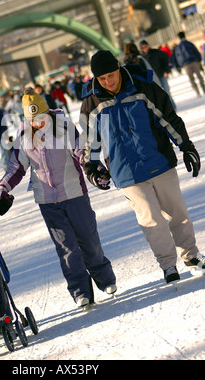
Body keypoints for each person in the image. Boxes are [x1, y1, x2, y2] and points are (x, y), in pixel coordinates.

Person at [80, 50, 205, 284]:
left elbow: (168, 117)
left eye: (111, 75)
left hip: (159, 160)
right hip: (126, 173)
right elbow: (90, 141)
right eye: (102, 78)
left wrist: (186, 146)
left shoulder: (141, 86)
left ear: (118, 67)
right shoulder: (92, 103)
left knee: (178, 213)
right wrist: (92, 169)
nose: (108, 81)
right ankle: (168, 265)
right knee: (151, 221)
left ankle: (191, 256)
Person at [0, 87, 116, 309]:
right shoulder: (24, 138)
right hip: (48, 202)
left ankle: (105, 280)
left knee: (89, 240)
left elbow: (82, 153)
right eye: (32, 120)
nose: (37, 123)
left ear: (47, 113)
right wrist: (4, 187)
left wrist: (95, 170)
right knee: (67, 248)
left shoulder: (64, 128)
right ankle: (80, 291)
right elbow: (16, 167)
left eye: (40, 118)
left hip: (75, 194)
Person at [139, 39, 177, 110]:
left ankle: (173, 108)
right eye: (143, 47)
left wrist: (166, 71)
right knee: (158, 96)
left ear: (148, 45)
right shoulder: (142, 58)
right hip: (152, 78)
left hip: (161, 74)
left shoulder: (155, 52)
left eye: (146, 46)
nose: (145, 48)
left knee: (167, 92)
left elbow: (165, 60)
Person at [173, 31, 205, 97]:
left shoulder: (178, 47)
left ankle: (197, 92)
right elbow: (196, 52)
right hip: (194, 61)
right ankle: (203, 89)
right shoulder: (189, 43)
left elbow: (177, 56)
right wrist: (199, 60)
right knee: (199, 76)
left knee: (191, 79)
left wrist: (180, 64)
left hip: (185, 65)